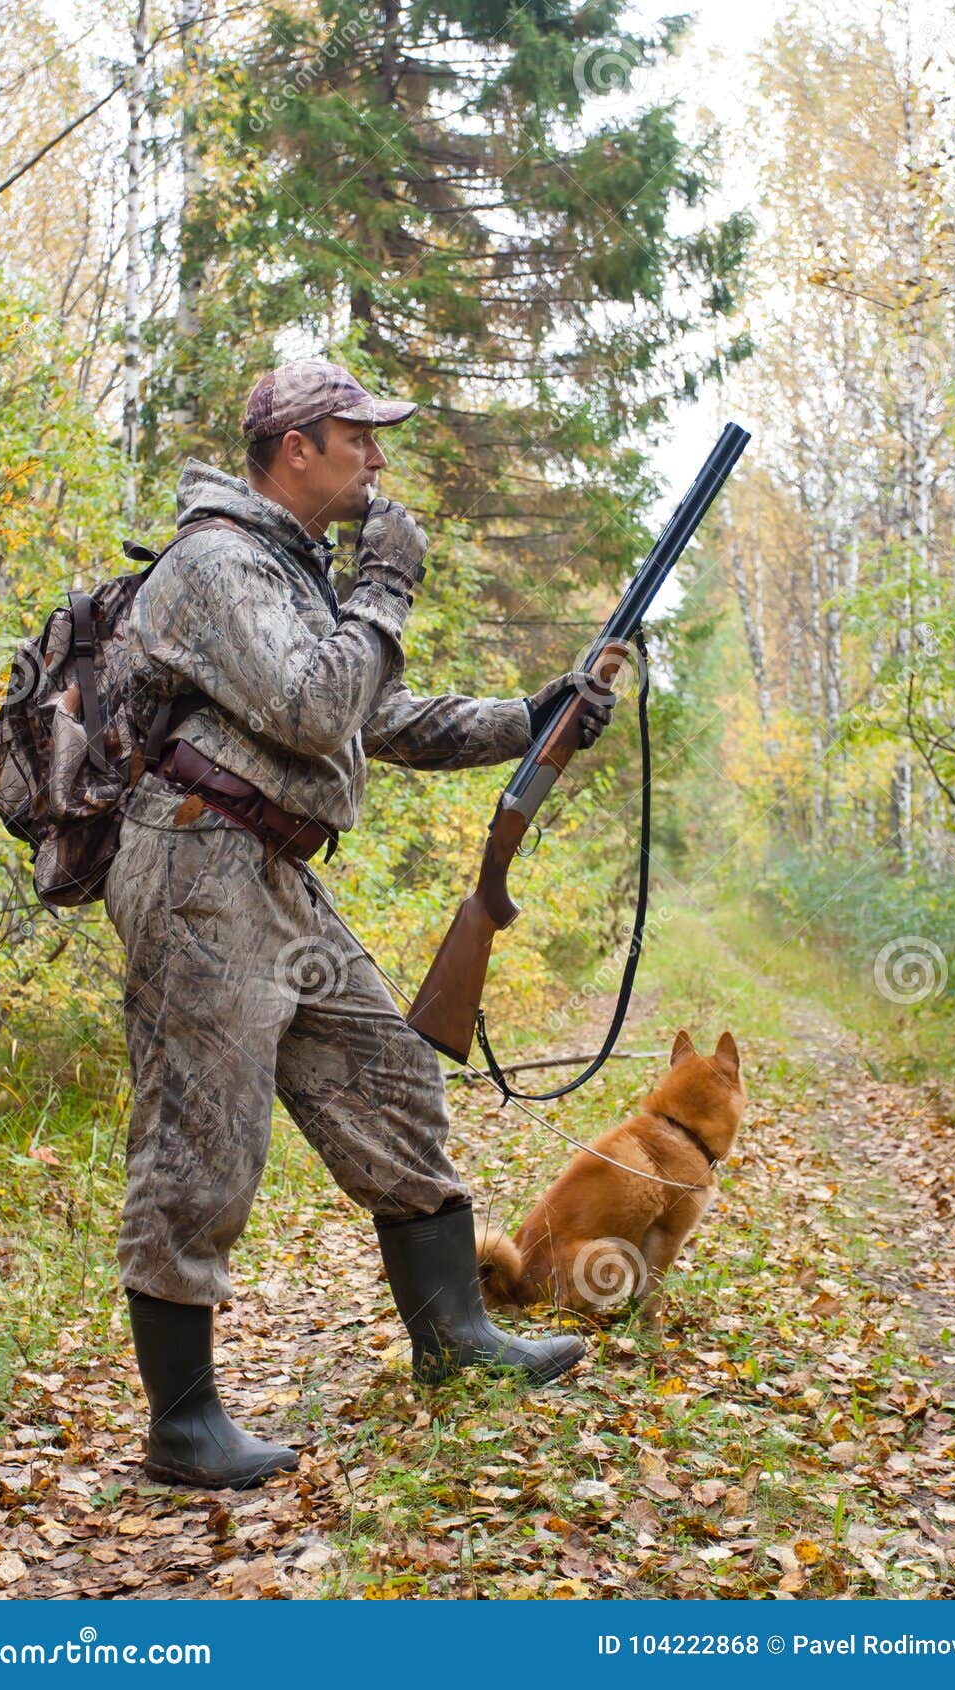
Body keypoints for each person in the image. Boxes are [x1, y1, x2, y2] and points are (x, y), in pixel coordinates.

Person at [106, 359, 615, 1489]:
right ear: (296, 447)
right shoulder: (215, 561)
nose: (376, 460)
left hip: (272, 870)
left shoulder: (289, 573)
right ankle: (182, 1425)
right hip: (198, 866)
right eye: (358, 437)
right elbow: (311, 703)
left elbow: (369, 713)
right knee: (203, 1142)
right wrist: (386, 583)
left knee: (392, 1078)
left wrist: (533, 717)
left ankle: (456, 1342)